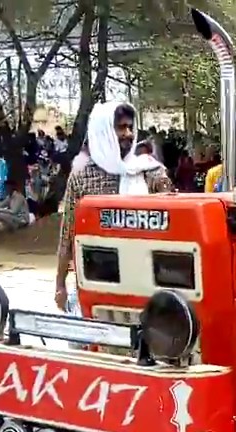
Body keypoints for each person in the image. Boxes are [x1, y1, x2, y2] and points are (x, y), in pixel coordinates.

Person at [54, 101, 173, 312]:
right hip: (96, 281)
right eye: (120, 127)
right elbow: (68, 234)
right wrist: (60, 285)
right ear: (103, 131)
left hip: (147, 284)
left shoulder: (149, 171)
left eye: (130, 127)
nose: (127, 133)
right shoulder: (82, 176)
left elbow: (173, 226)